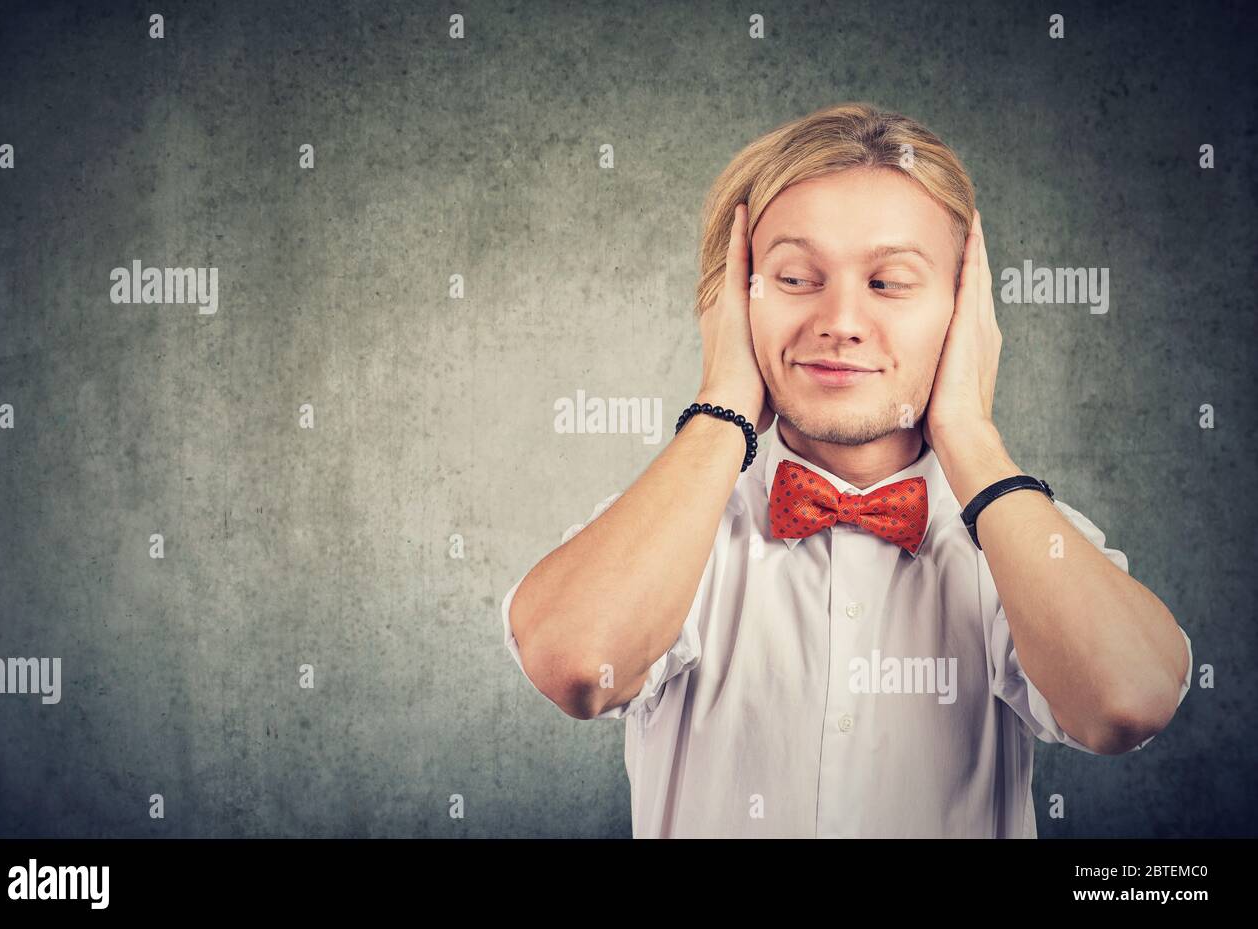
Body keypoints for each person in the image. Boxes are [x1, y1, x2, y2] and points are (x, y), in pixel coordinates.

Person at [498, 102, 1192, 838]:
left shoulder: (1028, 540)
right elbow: (574, 663)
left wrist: (971, 435)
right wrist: (724, 404)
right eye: (796, 278)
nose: (841, 320)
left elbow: (1128, 701)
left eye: (890, 282)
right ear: (733, 300)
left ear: (964, 313)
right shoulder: (669, 530)